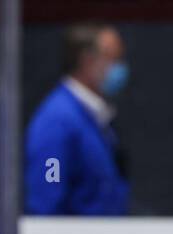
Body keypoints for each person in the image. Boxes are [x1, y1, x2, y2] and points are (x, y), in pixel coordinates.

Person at [23, 22, 130, 216]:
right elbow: (46, 194)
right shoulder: (57, 121)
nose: (120, 68)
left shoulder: (95, 117)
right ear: (88, 61)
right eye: (113, 59)